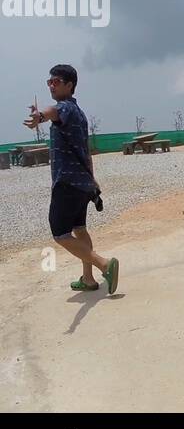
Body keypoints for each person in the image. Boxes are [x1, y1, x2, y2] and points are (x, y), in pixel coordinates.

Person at [23, 65, 120, 295]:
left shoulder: (65, 108)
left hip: (66, 183)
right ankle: (88, 279)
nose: (52, 85)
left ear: (70, 85)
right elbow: (84, 149)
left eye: (56, 81)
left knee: (60, 234)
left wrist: (40, 116)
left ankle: (105, 264)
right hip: (82, 183)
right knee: (80, 229)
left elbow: (53, 112)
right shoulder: (79, 113)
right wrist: (93, 180)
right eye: (49, 82)